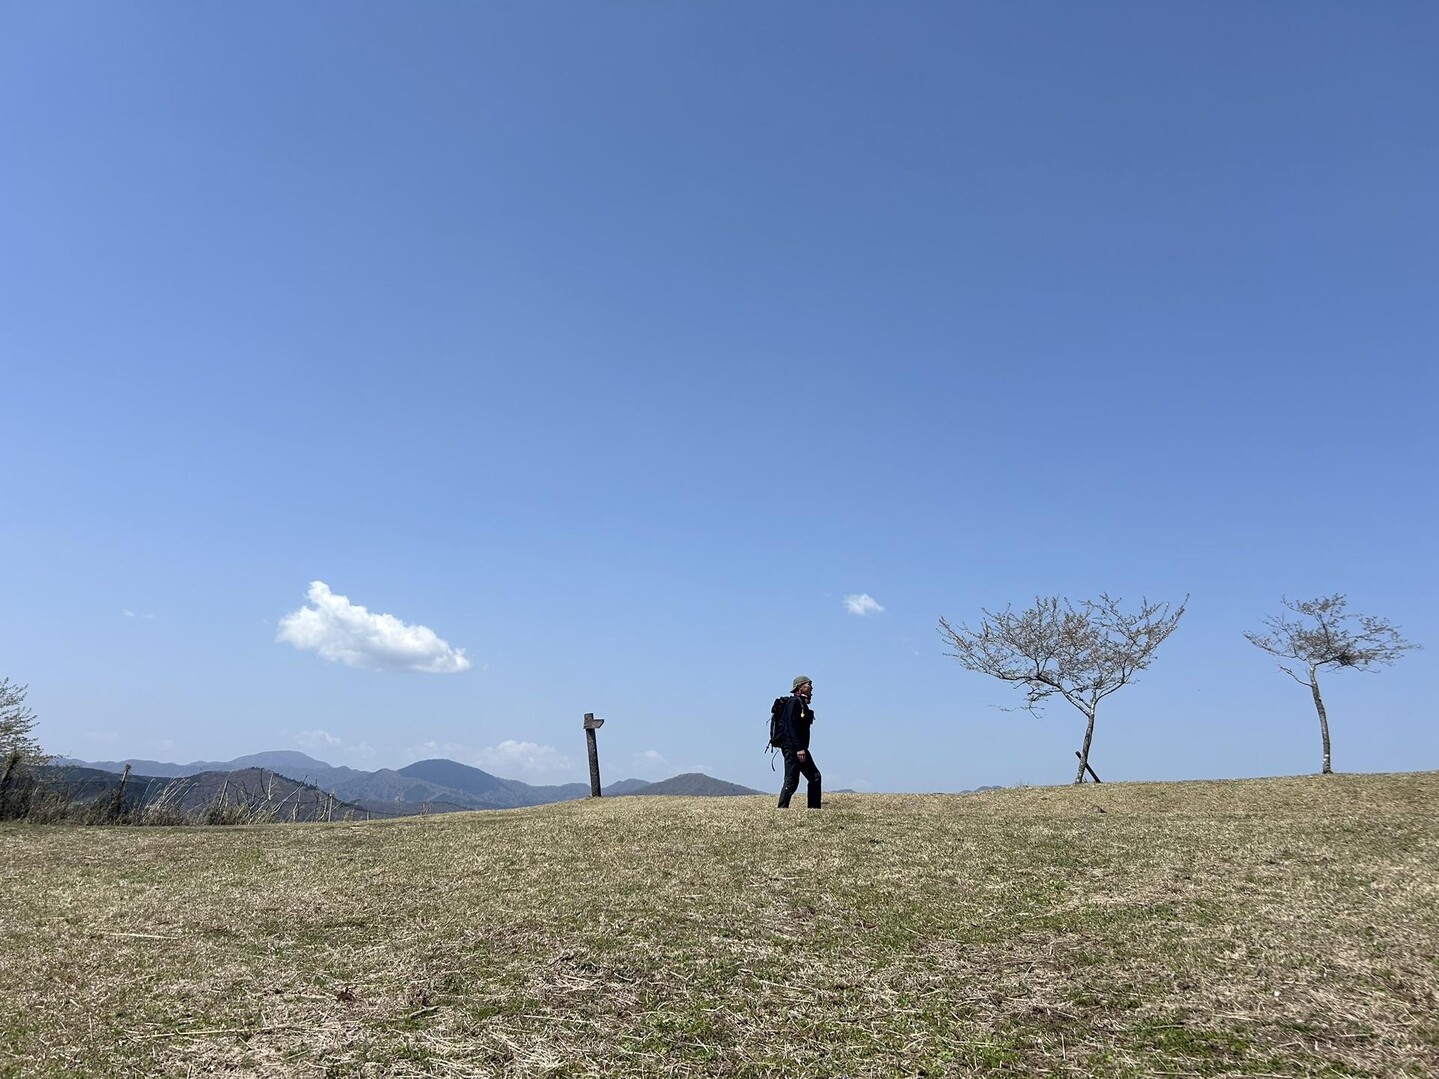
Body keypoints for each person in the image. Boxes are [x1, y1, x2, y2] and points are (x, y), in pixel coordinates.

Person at [776, 675, 821, 809]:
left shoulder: (802, 704)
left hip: (800, 749)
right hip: (793, 749)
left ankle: (814, 810)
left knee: (815, 777)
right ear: (800, 687)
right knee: (791, 780)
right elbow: (791, 726)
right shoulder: (794, 702)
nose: (811, 687)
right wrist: (799, 748)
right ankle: (782, 809)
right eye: (809, 684)